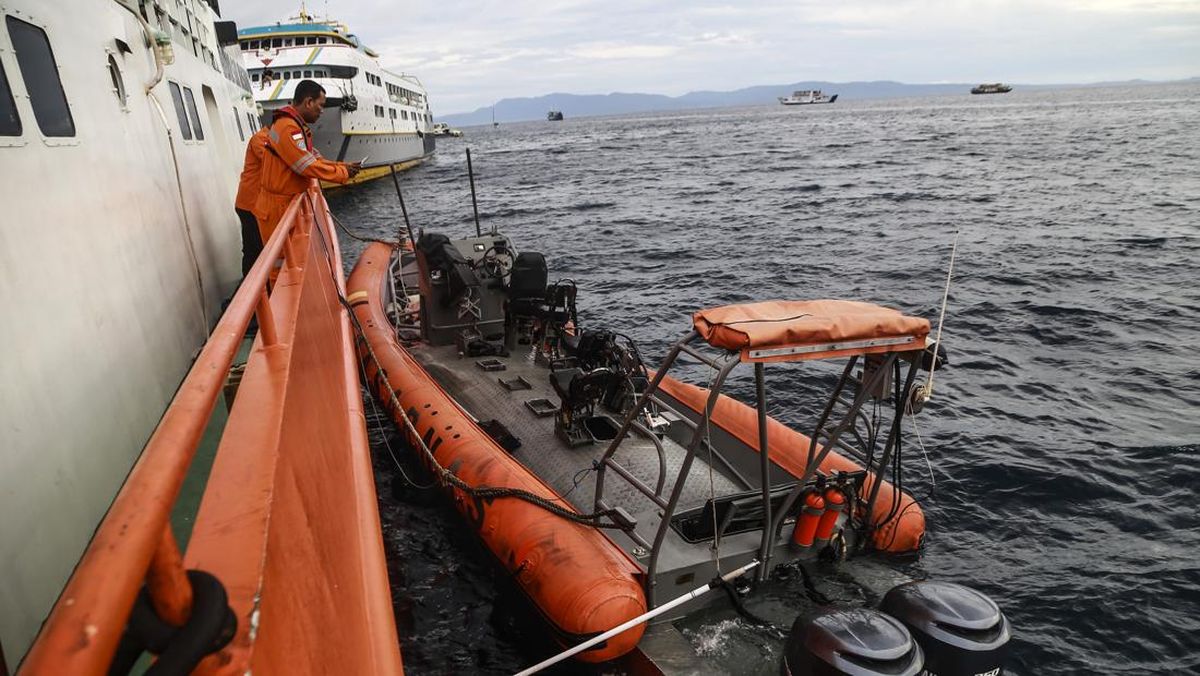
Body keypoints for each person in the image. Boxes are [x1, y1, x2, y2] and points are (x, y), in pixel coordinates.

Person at [253, 79, 360, 243]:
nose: (322, 111)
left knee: (289, 259)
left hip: (282, 206)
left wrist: (343, 166)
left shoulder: (293, 126)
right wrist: (343, 173)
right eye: (321, 105)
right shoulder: (289, 128)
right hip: (277, 210)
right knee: (281, 263)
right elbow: (306, 166)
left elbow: (313, 158)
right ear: (309, 102)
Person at [234, 126, 268, 276]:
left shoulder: (272, 138)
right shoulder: (260, 139)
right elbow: (271, 161)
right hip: (249, 204)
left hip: (256, 204)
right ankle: (249, 287)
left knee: (255, 247)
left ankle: (253, 284)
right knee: (253, 248)